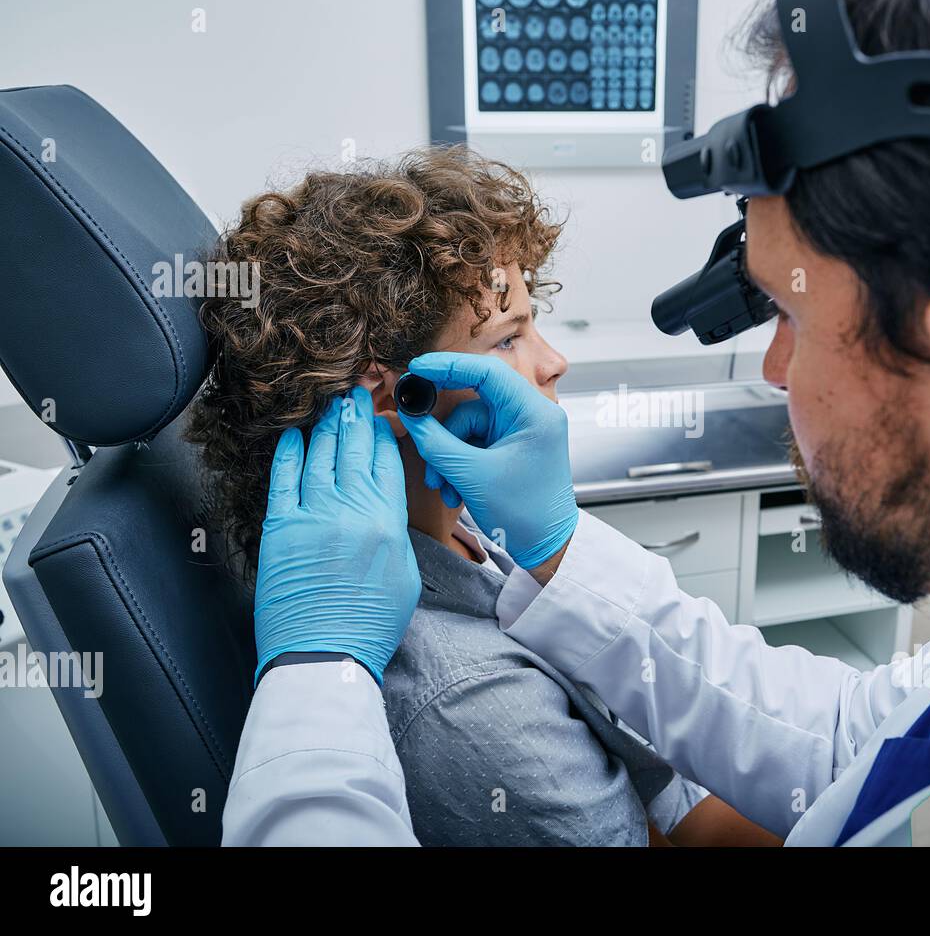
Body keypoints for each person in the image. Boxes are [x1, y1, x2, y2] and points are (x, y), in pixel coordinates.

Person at [228, 0, 930, 846]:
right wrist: (558, 555)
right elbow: (847, 743)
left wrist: (314, 684)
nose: (776, 369)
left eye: (787, 308)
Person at [208, 150, 775, 845]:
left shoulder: (468, 519)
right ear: (392, 396)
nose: (553, 361)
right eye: (510, 339)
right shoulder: (470, 704)